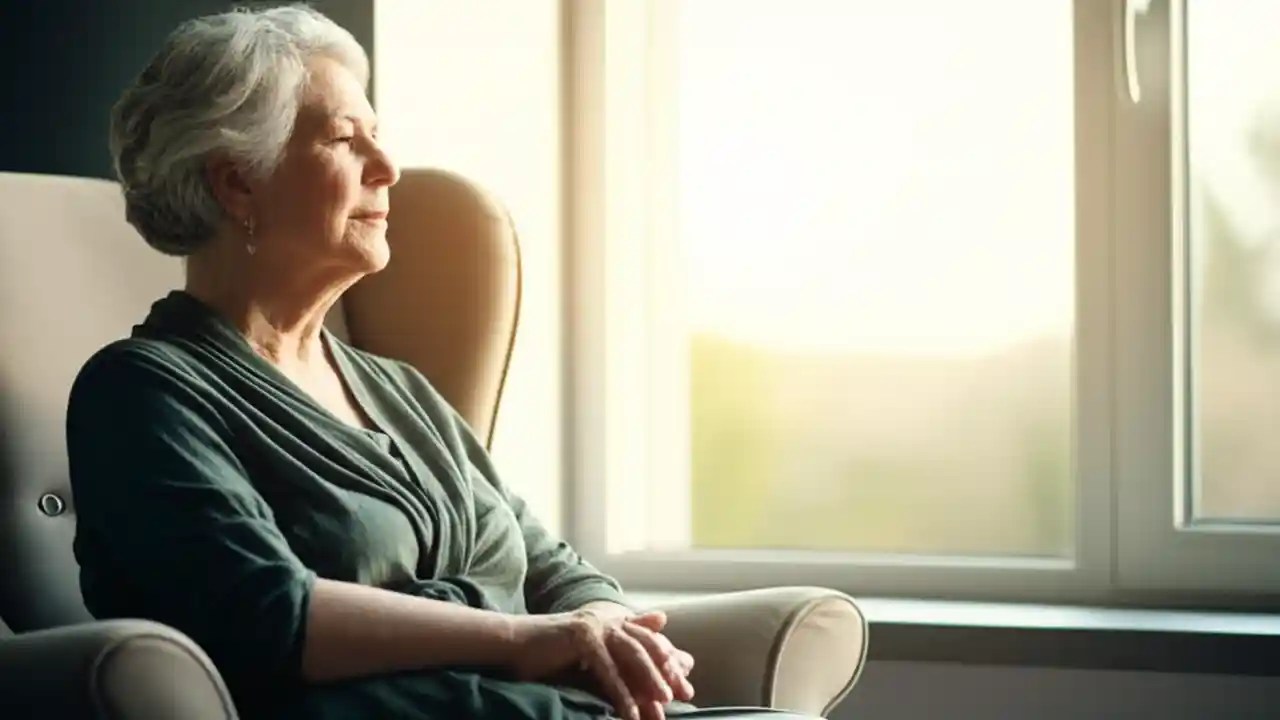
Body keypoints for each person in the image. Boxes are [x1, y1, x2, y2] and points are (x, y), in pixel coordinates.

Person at [66, 5, 814, 720]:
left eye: (379, 136)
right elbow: (268, 613)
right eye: (342, 140)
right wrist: (524, 638)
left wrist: (607, 629)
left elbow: (555, 570)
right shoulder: (142, 394)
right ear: (238, 183)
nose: (387, 167)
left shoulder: (401, 391)